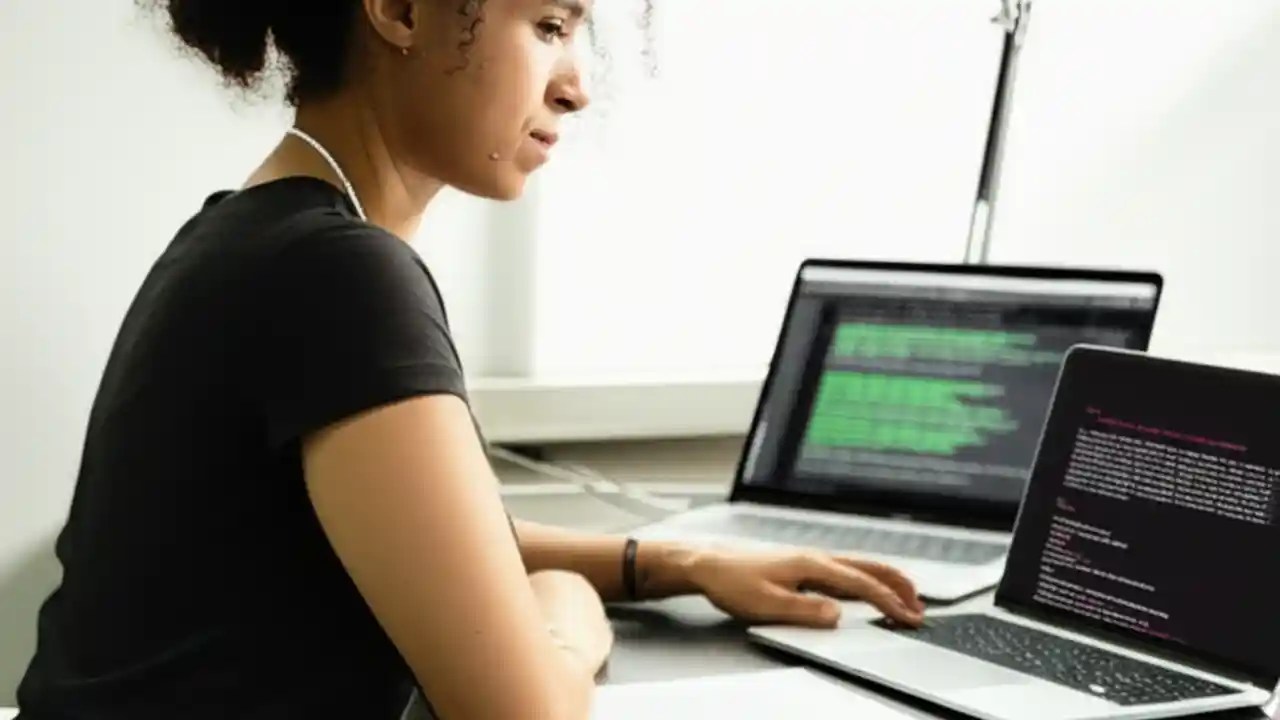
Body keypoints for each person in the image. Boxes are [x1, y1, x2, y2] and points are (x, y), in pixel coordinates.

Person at [16, 1, 925, 718]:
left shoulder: (248, 236)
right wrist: (568, 612)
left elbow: (421, 537)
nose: (576, 87)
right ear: (402, 10)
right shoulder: (344, 276)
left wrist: (675, 562)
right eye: (550, 27)